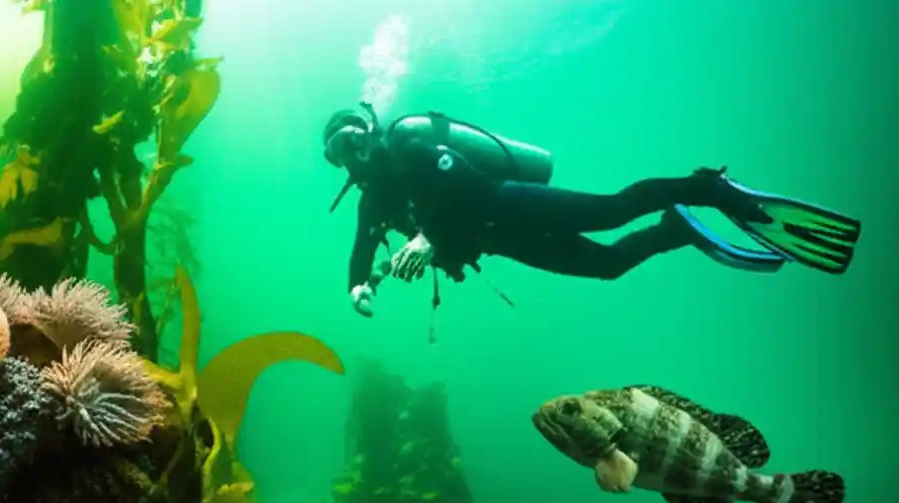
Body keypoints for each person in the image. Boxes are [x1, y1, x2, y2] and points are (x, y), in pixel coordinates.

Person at [322, 103, 863, 318]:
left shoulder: (409, 149)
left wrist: (429, 238)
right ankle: (675, 229)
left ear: (368, 130)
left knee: (612, 211)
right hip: (506, 242)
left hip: (509, 204)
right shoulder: (371, 199)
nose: (351, 155)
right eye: (337, 153)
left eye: (351, 140)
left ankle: (712, 189)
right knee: (607, 266)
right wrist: (357, 288)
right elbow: (361, 246)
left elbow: (463, 182)